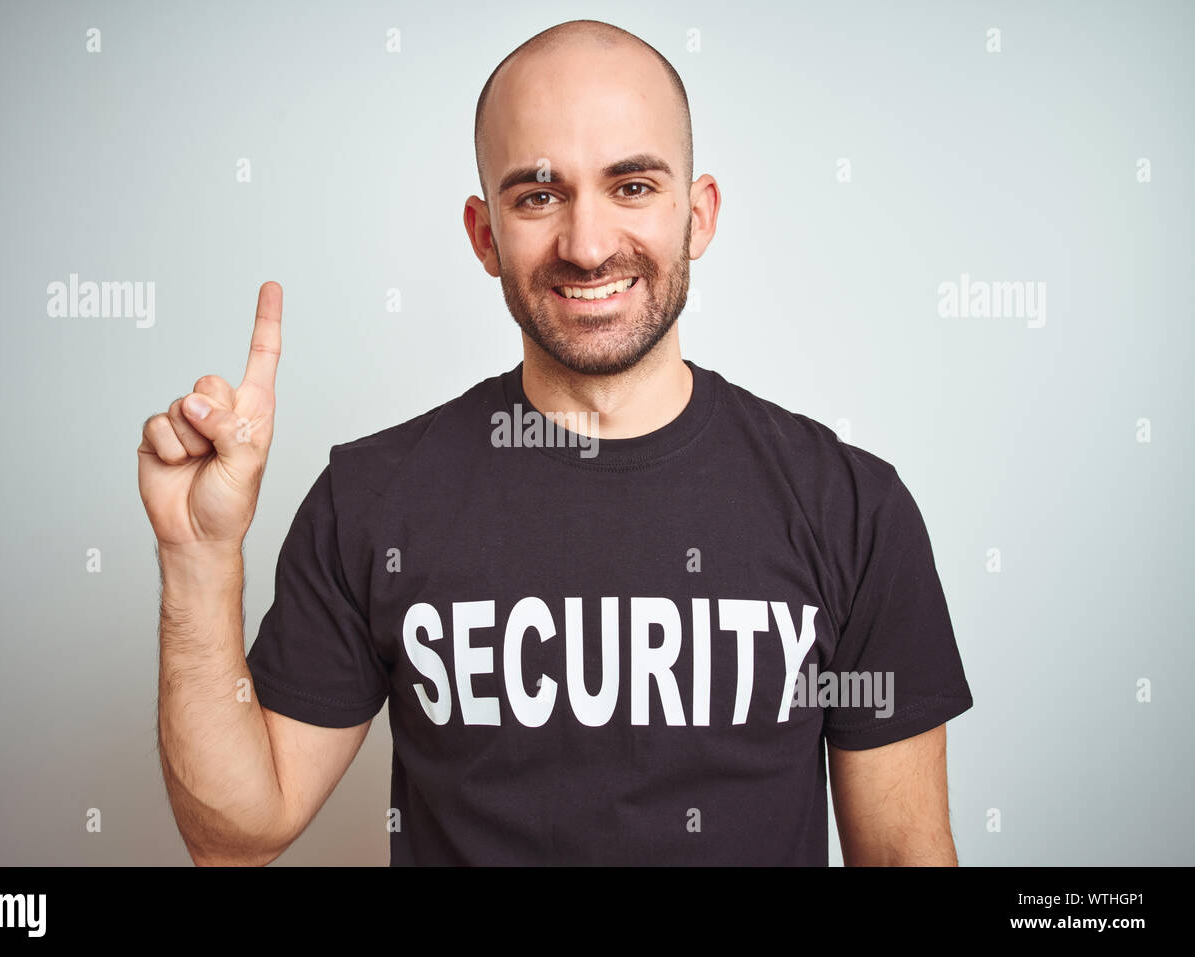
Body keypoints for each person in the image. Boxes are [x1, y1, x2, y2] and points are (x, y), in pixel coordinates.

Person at [138, 19, 973, 866]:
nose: (588, 244)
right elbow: (233, 835)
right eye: (539, 196)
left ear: (700, 215)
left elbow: (906, 854)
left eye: (633, 185)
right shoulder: (371, 501)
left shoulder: (852, 508)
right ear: (484, 235)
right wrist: (198, 559)